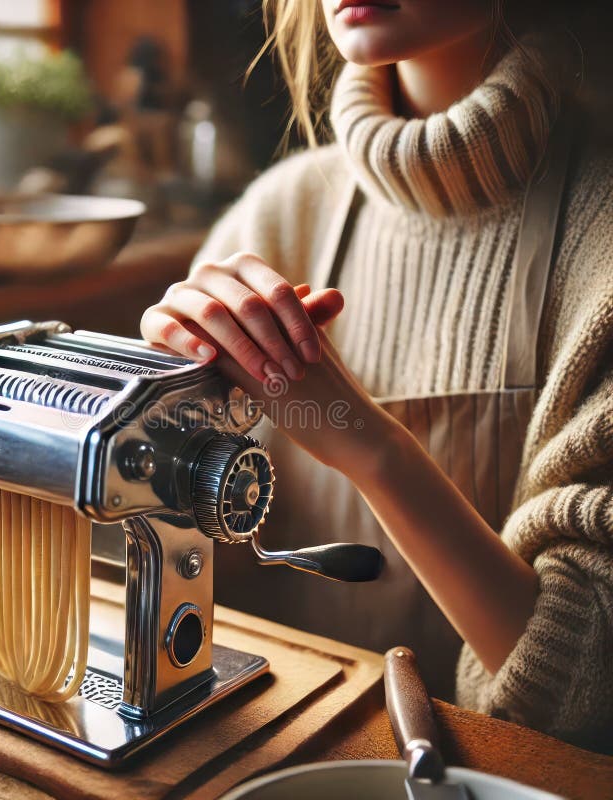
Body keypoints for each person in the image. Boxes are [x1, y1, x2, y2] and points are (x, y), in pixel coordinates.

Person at [140, 0, 613, 750]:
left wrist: (366, 445)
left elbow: (592, 694)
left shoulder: (602, 227)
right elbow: (157, 577)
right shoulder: (277, 214)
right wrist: (152, 401)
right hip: (270, 750)